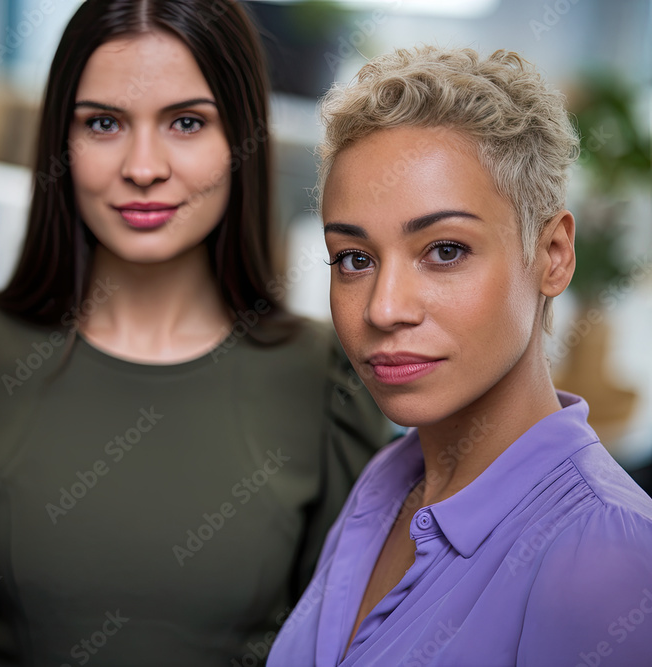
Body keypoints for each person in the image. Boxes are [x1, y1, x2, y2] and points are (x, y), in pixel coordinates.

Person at [0, 1, 392, 665]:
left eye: (186, 122)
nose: (142, 165)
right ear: (60, 144)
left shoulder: (325, 377)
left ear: (242, 138)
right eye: (103, 123)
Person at [267, 46, 652, 666]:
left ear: (552, 255)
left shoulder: (606, 560)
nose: (384, 308)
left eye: (444, 250)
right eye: (354, 259)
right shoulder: (386, 483)